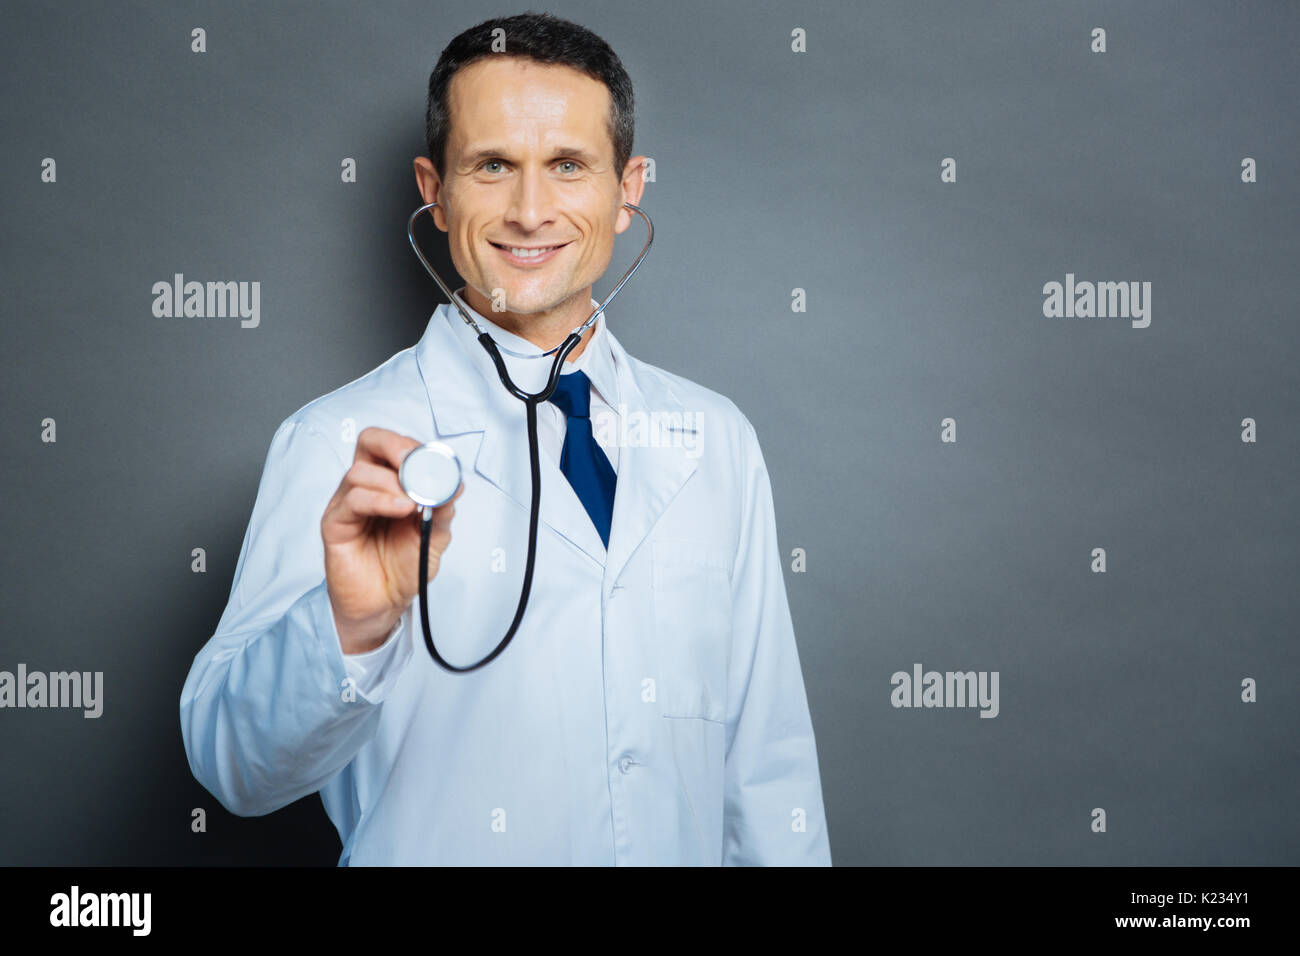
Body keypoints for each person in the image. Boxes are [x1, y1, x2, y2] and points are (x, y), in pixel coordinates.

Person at [179, 11, 831, 866]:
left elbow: (768, 769)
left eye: (568, 165)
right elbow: (233, 765)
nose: (530, 211)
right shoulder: (340, 442)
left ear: (627, 189)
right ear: (434, 191)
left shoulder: (716, 439)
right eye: (492, 166)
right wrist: (348, 625)